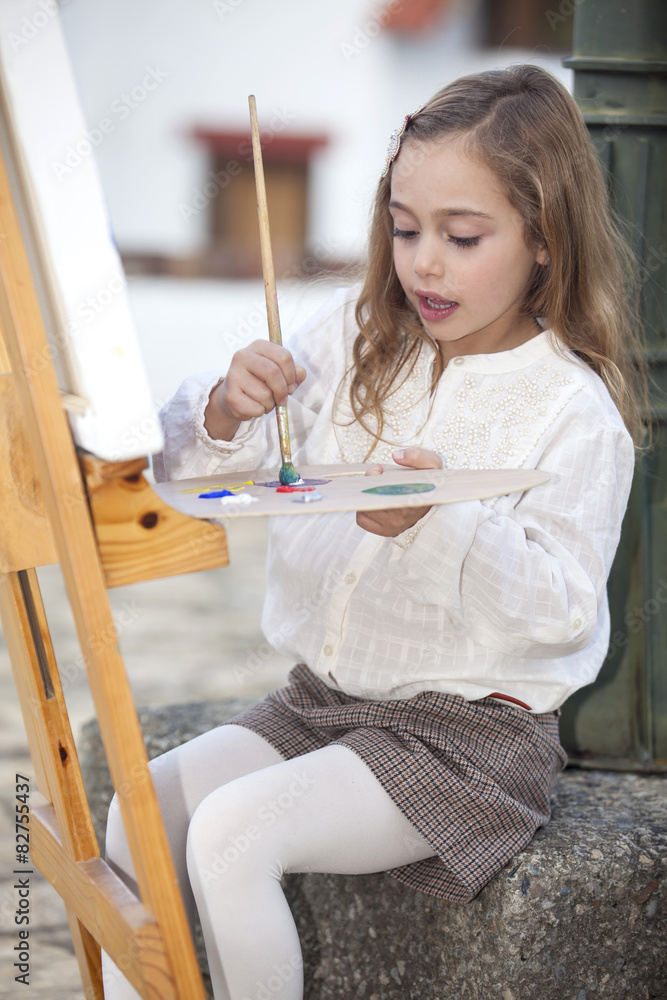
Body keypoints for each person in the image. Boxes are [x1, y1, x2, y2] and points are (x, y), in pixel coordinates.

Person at [103, 64, 646, 1000]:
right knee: (135, 817)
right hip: (321, 702)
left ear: (545, 240)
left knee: (234, 836)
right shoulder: (358, 334)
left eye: (461, 235)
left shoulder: (572, 410)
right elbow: (196, 472)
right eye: (403, 228)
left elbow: (558, 611)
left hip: (466, 740)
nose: (423, 261)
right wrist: (233, 411)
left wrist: (434, 527)